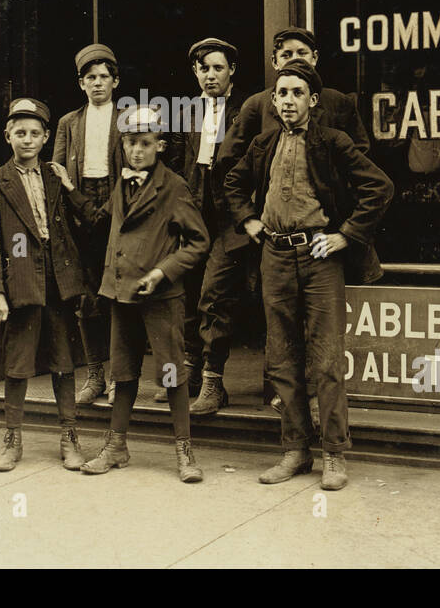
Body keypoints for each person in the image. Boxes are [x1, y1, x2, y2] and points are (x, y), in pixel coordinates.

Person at [223, 61, 393, 491]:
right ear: (274, 100)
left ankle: (333, 454)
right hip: (275, 257)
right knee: (281, 359)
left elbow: (380, 188)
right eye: (282, 93)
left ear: (312, 101)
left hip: (319, 259)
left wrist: (345, 236)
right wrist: (249, 221)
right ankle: (295, 450)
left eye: (298, 93)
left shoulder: (332, 142)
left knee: (327, 360)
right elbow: (233, 184)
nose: (289, 101)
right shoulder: (262, 144)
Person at [195, 25, 371, 416]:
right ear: (275, 65)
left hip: (312, 231)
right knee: (217, 291)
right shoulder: (259, 105)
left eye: (302, 53)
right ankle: (211, 379)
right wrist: (247, 217)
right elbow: (229, 164)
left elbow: (361, 163)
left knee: (300, 319)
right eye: (285, 55)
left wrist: (336, 216)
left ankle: (287, 395)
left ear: (315, 61)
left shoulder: (338, 104)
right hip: (257, 226)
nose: (294, 60)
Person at [54, 105, 210, 482]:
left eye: (144, 143)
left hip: (160, 297)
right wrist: (70, 188)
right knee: (122, 374)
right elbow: (99, 221)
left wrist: (162, 272)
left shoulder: (173, 186)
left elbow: (198, 242)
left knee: (171, 374)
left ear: (160, 145)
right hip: (122, 294)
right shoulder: (121, 185)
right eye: (130, 143)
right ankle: (116, 445)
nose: (136, 151)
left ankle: (184, 451)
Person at [0, 98, 89, 472]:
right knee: (19, 362)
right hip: (22, 282)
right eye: (19, 133)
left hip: (58, 280)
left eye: (35, 133)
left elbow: (80, 223)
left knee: (64, 360)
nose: (27, 140)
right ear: (8, 136)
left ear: (45, 138)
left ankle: (69, 435)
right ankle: (12, 437)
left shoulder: (54, 175)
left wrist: (71, 187)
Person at [159, 37, 246, 407]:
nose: (210, 76)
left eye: (218, 68)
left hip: (229, 216)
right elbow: (176, 164)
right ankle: (190, 372)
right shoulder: (187, 110)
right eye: (203, 69)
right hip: (193, 213)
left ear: (231, 71)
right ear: (195, 72)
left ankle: (214, 379)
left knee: (215, 294)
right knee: (189, 291)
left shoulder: (246, 110)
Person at [53, 43, 124, 408]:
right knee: (86, 296)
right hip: (79, 207)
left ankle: (116, 377)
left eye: (103, 77)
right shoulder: (69, 122)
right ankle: (94, 373)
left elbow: (131, 172)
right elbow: (58, 173)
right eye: (90, 78)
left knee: (114, 295)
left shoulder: (126, 116)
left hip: (117, 205)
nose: (97, 84)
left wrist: (110, 207)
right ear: (81, 84)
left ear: (115, 80)